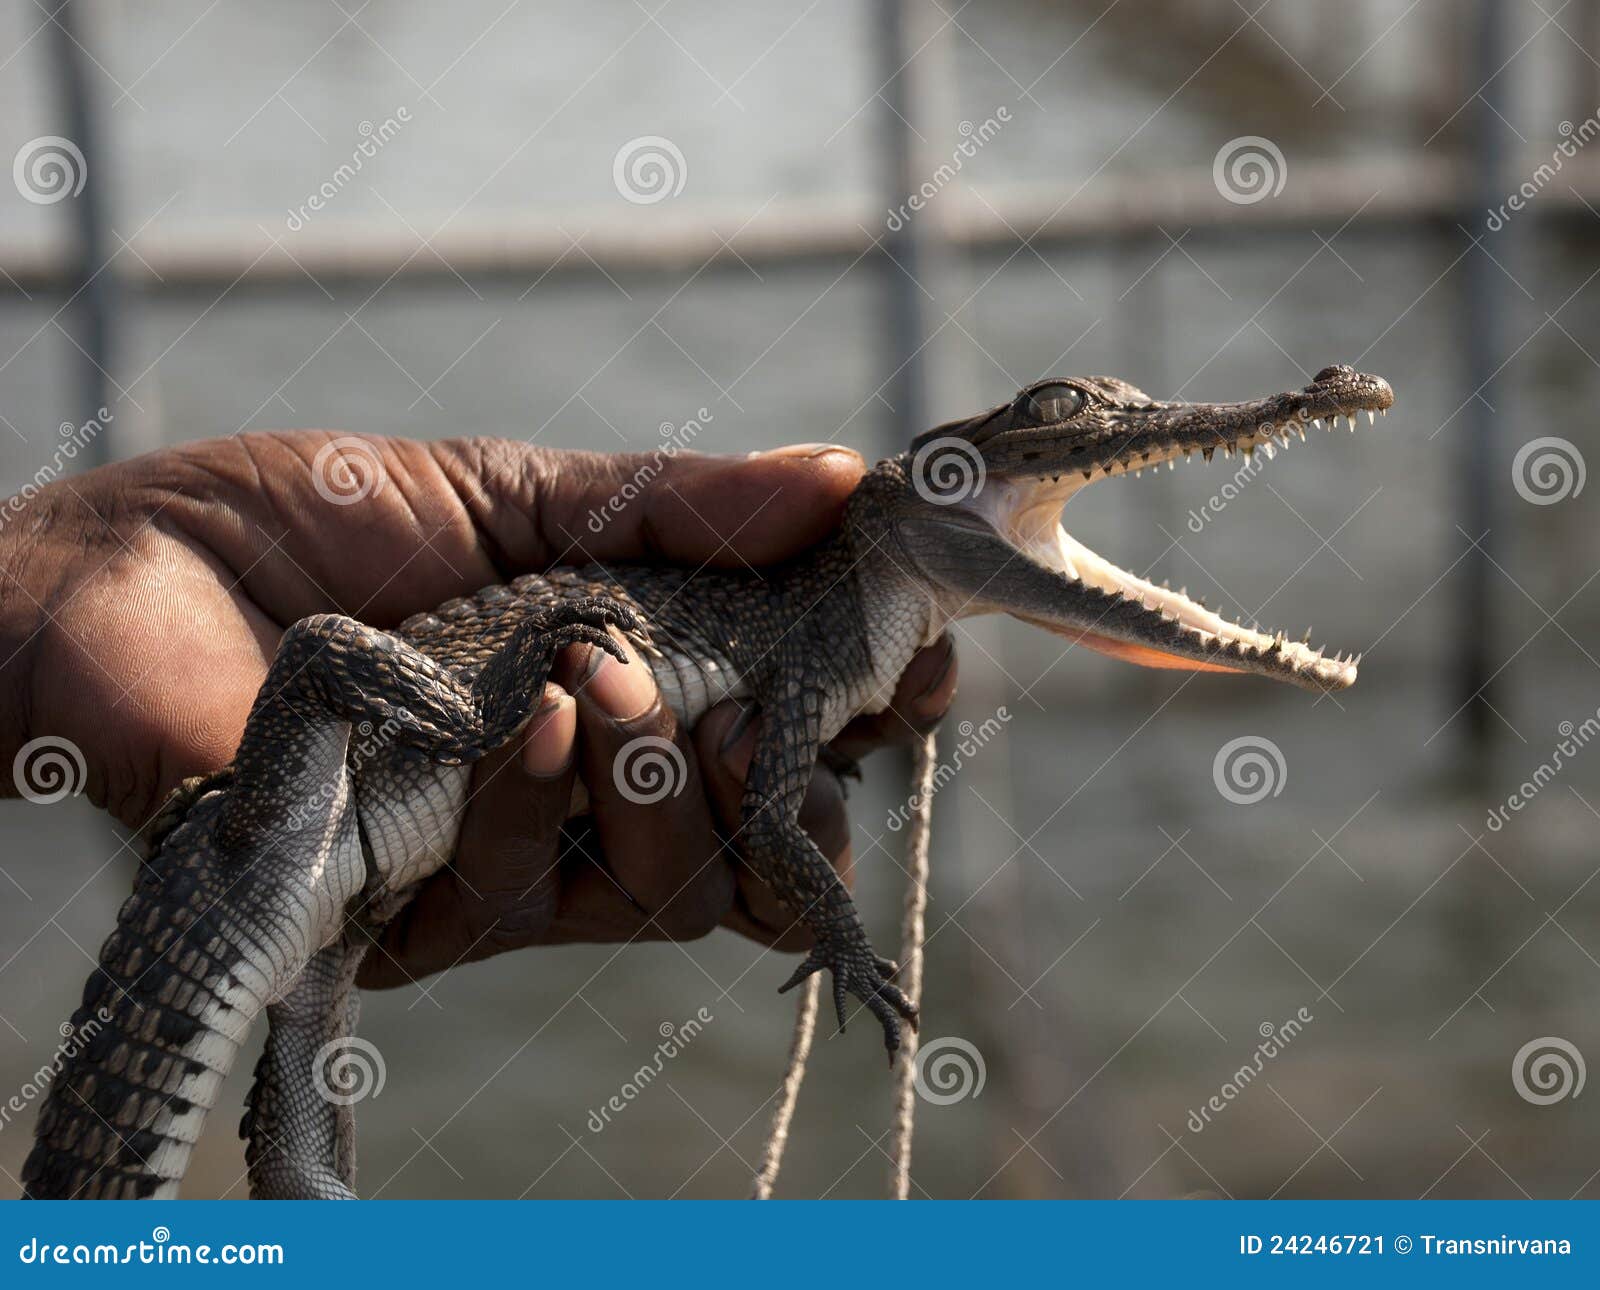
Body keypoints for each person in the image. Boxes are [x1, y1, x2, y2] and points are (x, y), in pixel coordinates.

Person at [0, 432, 956, 987]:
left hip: (314, 864)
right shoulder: (816, 619)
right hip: (338, 784)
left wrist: (60, 586)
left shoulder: (828, 653)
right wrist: (58, 588)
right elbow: (323, 656)